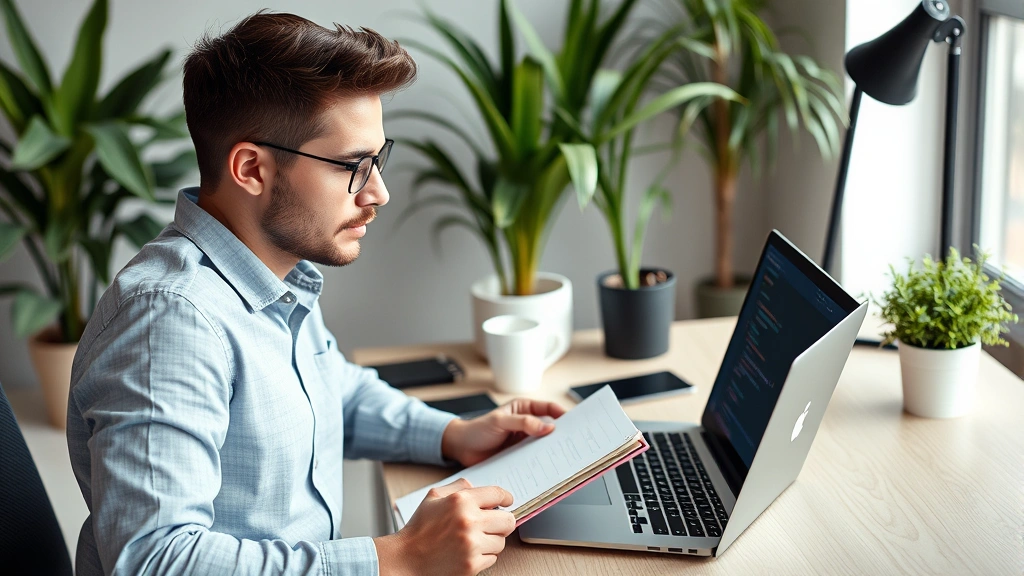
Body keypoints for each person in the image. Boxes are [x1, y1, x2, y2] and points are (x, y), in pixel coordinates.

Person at [66, 11, 565, 576]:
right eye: (352, 166)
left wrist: (453, 434)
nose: (378, 191)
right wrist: (397, 558)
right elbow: (155, 560)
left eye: (379, 159)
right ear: (251, 168)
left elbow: (328, 392)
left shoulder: (273, 270)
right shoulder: (171, 323)